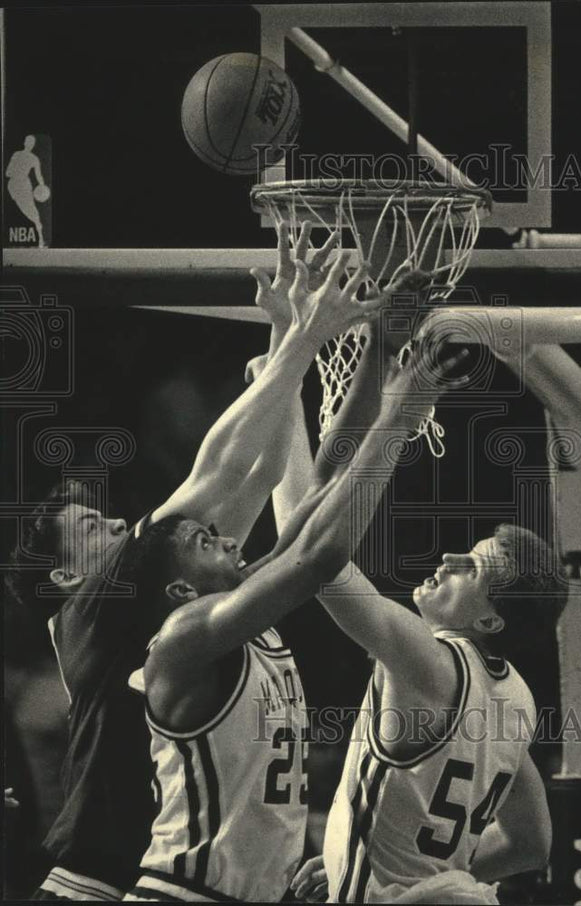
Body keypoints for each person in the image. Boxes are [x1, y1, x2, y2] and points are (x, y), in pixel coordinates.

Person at [5, 226, 377, 901]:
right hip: (88, 886)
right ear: (65, 579)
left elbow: (258, 479)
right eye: (92, 527)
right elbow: (220, 471)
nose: (118, 523)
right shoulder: (88, 614)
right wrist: (301, 338)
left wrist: (283, 339)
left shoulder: (167, 596)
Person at [119, 300, 464, 902]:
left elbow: (323, 490)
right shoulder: (183, 638)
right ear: (178, 590)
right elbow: (317, 559)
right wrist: (398, 418)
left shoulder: (240, 608)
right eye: (204, 542)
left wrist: (380, 354)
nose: (227, 537)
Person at [271, 323, 566, 904]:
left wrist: (282, 402)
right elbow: (534, 844)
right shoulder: (520, 702)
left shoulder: (429, 662)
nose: (451, 556)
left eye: (473, 569)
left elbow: (308, 559)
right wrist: (421, 876)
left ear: (489, 621)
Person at [5, 135, 47, 247]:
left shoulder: (34, 159)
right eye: (29, 142)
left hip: (23, 185)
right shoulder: (17, 155)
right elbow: (7, 173)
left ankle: (41, 240)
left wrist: (42, 187)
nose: (30, 144)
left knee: (33, 212)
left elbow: (39, 176)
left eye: (31, 143)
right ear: (25, 143)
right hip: (14, 185)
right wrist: (18, 172)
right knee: (25, 209)